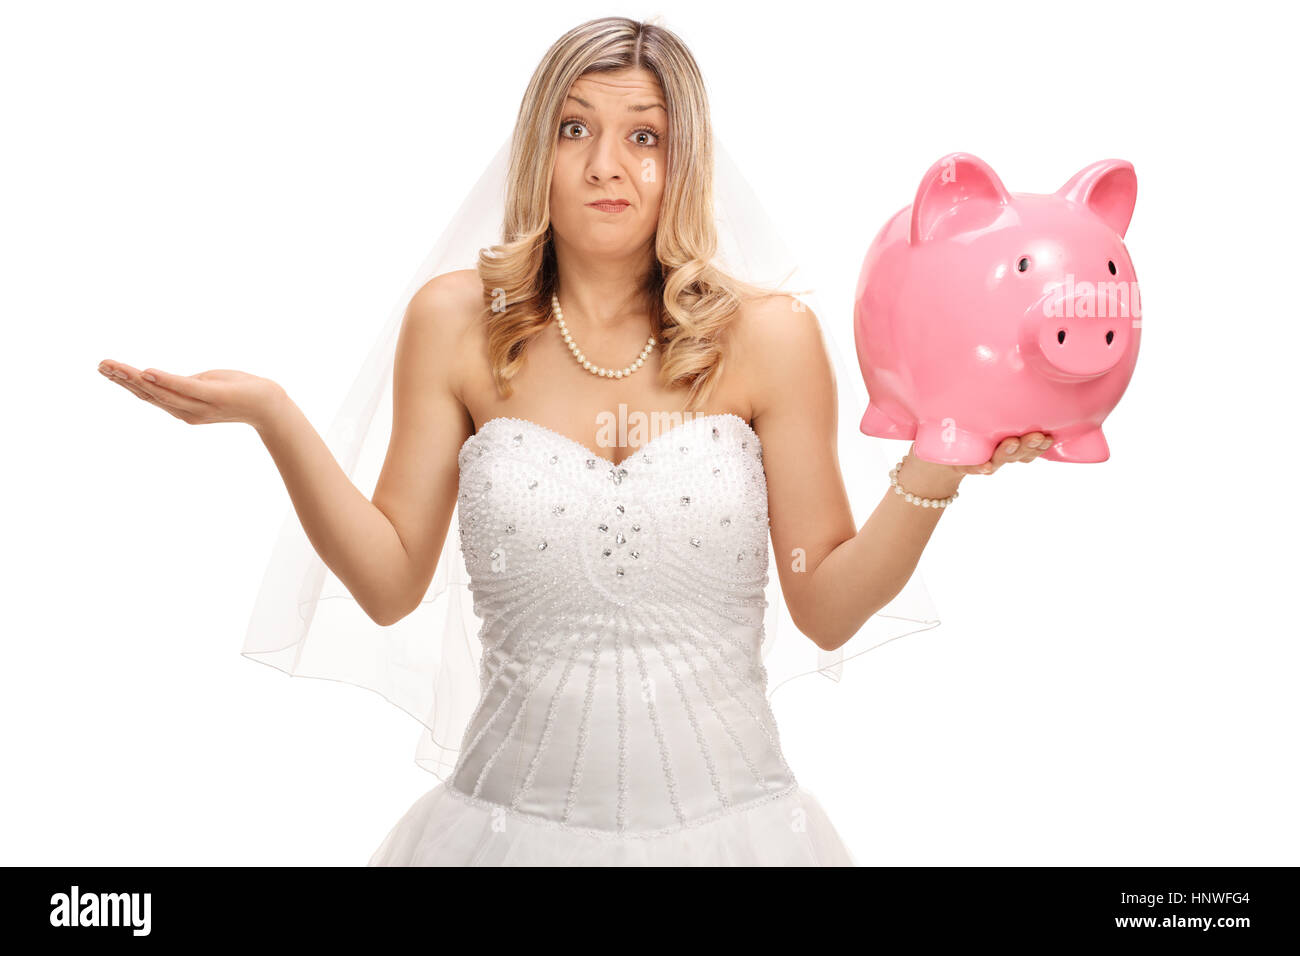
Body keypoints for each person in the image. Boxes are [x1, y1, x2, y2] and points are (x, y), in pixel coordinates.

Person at [95, 16, 1052, 865]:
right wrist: (272, 413)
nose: (607, 165)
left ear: (685, 161)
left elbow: (827, 606)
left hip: (737, 834)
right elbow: (389, 586)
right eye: (575, 128)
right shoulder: (456, 323)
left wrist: (940, 464)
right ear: (536, 151)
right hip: (504, 833)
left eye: (645, 136)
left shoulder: (768, 337)